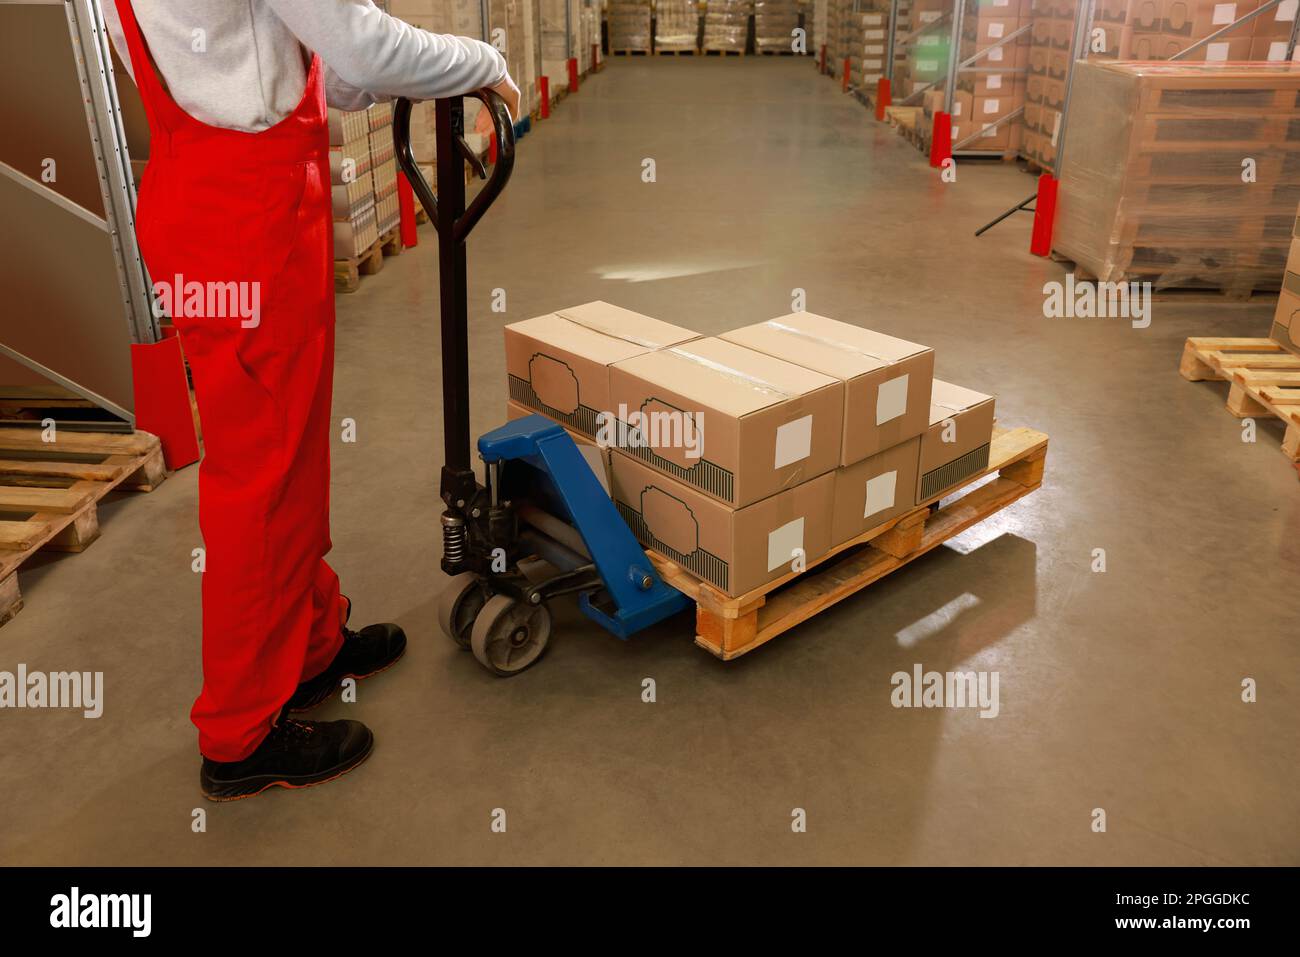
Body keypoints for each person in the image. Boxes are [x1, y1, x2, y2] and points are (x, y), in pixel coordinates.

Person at [102, 0, 520, 801]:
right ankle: (240, 730)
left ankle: (309, 644)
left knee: (286, 449)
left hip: (206, 194)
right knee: (258, 476)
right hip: (246, 214)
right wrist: (480, 62)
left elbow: (269, 51)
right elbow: (359, 46)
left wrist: (352, 77)